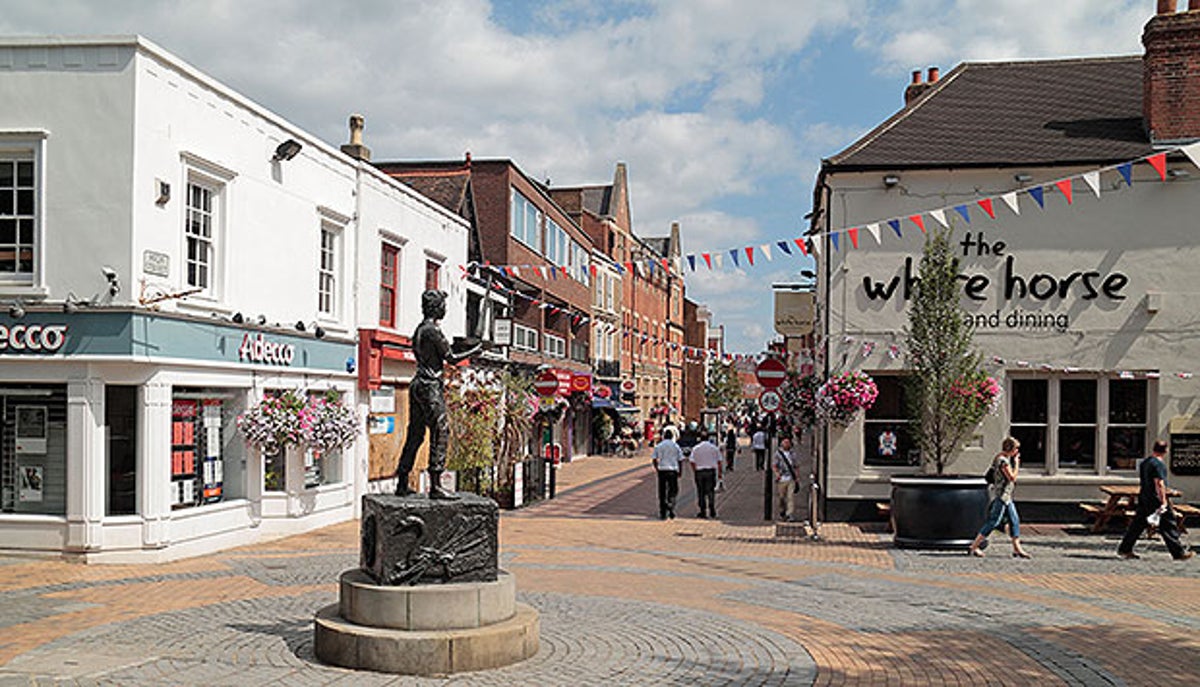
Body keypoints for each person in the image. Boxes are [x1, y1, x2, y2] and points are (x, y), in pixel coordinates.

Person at [393, 290, 482, 499]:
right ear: (436, 307)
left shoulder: (420, 329)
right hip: (430, 385)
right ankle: (436, 485)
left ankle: (402, 481)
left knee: (415, 434)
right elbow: (450, 358)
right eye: (443, 305)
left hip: (418, 383)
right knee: (441, 430)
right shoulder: (433, 330)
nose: (445, 309)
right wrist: (475, 351)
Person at [1117, 440, 1194, 560]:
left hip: (1145, 496)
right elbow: (1159, 483)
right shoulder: (1158, 464)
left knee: (1138, 524)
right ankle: (1178, 553)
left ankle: (1125, 548)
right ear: (1166, 450)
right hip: (1155, 499)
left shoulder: (1145, 462)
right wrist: (1163, 501)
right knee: (1168, 524)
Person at [968, 437, 1031, 558]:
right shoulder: (1003, 461)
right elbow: (1012, 477)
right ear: (1010, 449)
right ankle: (974, 546)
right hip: (1002, 496)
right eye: (1016, 448)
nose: (1017, 451)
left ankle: (1017, 548)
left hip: (1007, 496)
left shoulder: (1002, 458)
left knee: (1014, 520)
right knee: (994, 521)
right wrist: (1017, 464)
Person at [688, 432, 723, 518]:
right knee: (710, 491)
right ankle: (712, 509)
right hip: (710, 472)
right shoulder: (714, 448)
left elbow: (692, 461)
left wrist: (695, 470)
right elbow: (719, 462)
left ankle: (702, 511)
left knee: (701, 492)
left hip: (699, 472)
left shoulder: (696, 448)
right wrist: (720, 474)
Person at [652, 427, 684, 520]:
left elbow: (654, 459)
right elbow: (680, 460)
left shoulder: (659, 446)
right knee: (673, 490)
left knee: (662, 491)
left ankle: (663, 512)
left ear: (664, 436)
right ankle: (671, 505)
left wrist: (657, 468)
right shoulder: (676, 446)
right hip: (673, 470)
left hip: (662, 470)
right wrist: (680, 471)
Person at [773, 436, 798, 521]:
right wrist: (777, 475)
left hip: (791, 478)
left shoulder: (793, 454)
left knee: (790, 497)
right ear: (781, 443)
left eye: (788, 442)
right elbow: (774, 465)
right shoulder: (778, 454)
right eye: (785, 442)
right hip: (782, 479)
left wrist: (796, 477)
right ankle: (782, 510)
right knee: (782, 497)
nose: (787, 444)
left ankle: (789, 514)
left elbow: (796, 466)